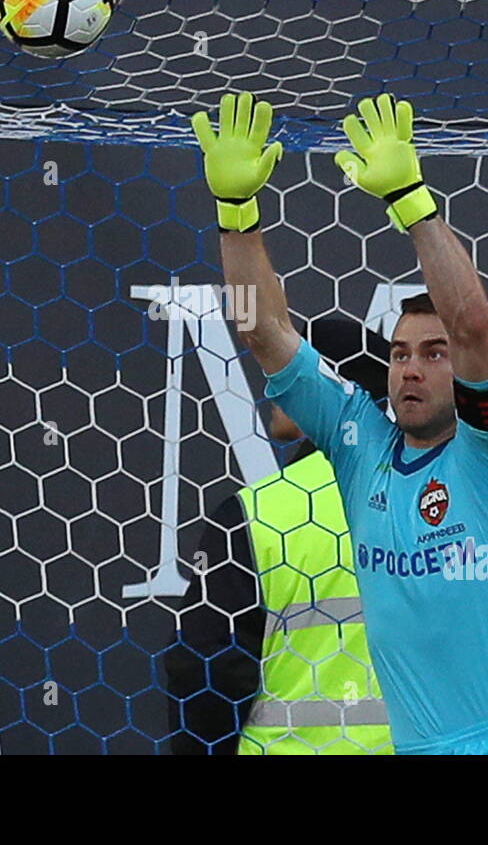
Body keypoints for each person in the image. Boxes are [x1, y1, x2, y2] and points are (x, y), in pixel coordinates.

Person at [190, 91, 488, 755]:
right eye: (400, 354)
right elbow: (262, 331)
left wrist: (411, 201)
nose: (411, 369)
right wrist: (236, 215)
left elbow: (473, 325)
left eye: (433, 354)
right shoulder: (358, 444)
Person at [165, 318, 394, 755]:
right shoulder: (437, 502)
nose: (271, 390)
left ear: (324, 388)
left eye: (285, 372)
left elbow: (206, 669)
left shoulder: (256, 513)